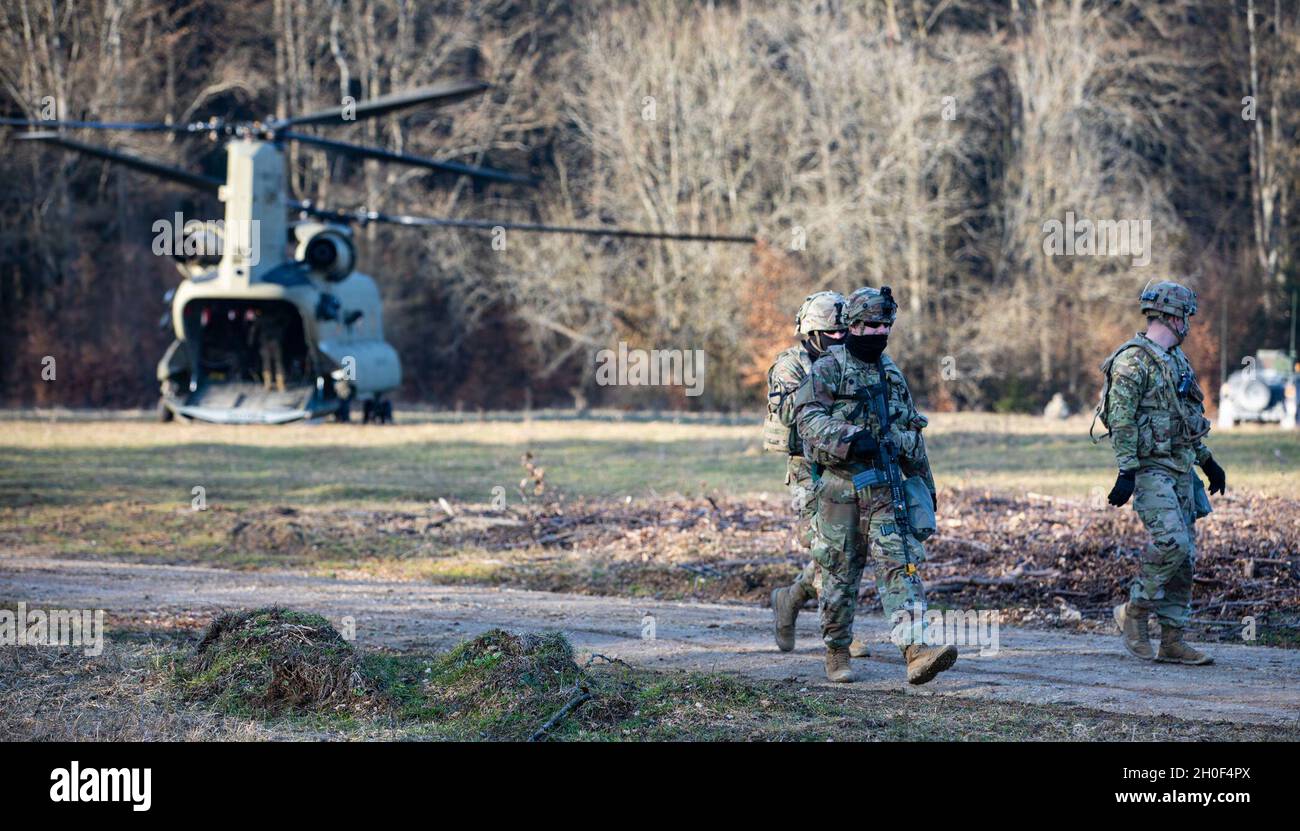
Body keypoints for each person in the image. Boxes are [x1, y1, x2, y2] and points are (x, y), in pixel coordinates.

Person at [794, 285, 955, 684]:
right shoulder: (829, 368)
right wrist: (850, 437)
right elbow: (807, 420)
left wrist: (925, 485)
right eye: (869, 325)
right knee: (839, 575)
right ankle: (835, 650)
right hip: (839, 489)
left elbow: (912, 431)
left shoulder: (891, 373)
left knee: (901, 566)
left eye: (884, 325)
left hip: (886, 489)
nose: (877, 333)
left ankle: (916, 650)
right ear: (852, 325)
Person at [1096, 280, 1224, 665]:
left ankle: (1172, 639)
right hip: (1150, 470)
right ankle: (1133, 612)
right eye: (1186, 317)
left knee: (1186, 560)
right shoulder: (1133, 360)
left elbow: (1186, 420)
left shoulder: (1176, 360)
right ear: (1171, 316)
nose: (1188, 325)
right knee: (1173, 544)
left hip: (1182, 469)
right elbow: (1121, 420)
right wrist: (1126, 471)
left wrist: (1207, 460)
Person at [767, 292, 873, 658]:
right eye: (833, 334)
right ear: (811, 335)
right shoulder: (791, 367)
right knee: (828, 550)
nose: (841, 340)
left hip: (844, 467)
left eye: (846, 333)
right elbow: (793, 421)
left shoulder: (849, 362)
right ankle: (839, 636)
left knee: (848, 549)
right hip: (806, 470)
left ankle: (791, 598)